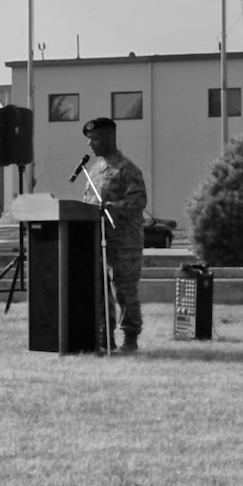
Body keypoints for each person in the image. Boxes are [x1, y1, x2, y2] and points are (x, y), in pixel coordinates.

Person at [76, 117, 147, 351]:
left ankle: (130, 338)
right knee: (100, 290)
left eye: (95, 139)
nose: (90, 145)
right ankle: (104, 337)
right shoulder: (95, 171)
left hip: (124, 242)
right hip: (98, 241)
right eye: (89, 140)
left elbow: (138, 201)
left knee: (124, 289)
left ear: (110, 138)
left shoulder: (127, 169)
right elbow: (88, 203)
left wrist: (112, 208)